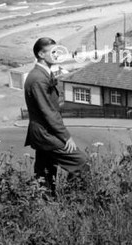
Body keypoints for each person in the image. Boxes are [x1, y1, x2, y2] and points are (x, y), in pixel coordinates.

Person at [24, 37, 88, 196]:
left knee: (45, 173)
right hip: (45, 134)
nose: (57, 54)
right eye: (53, 52)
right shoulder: (38, 78)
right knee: (80, 161)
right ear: (41, 54)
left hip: (43, 133)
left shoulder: (42, 74)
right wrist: (66, 137)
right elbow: (49, 112)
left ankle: (47, 207)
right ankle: (72, 198)